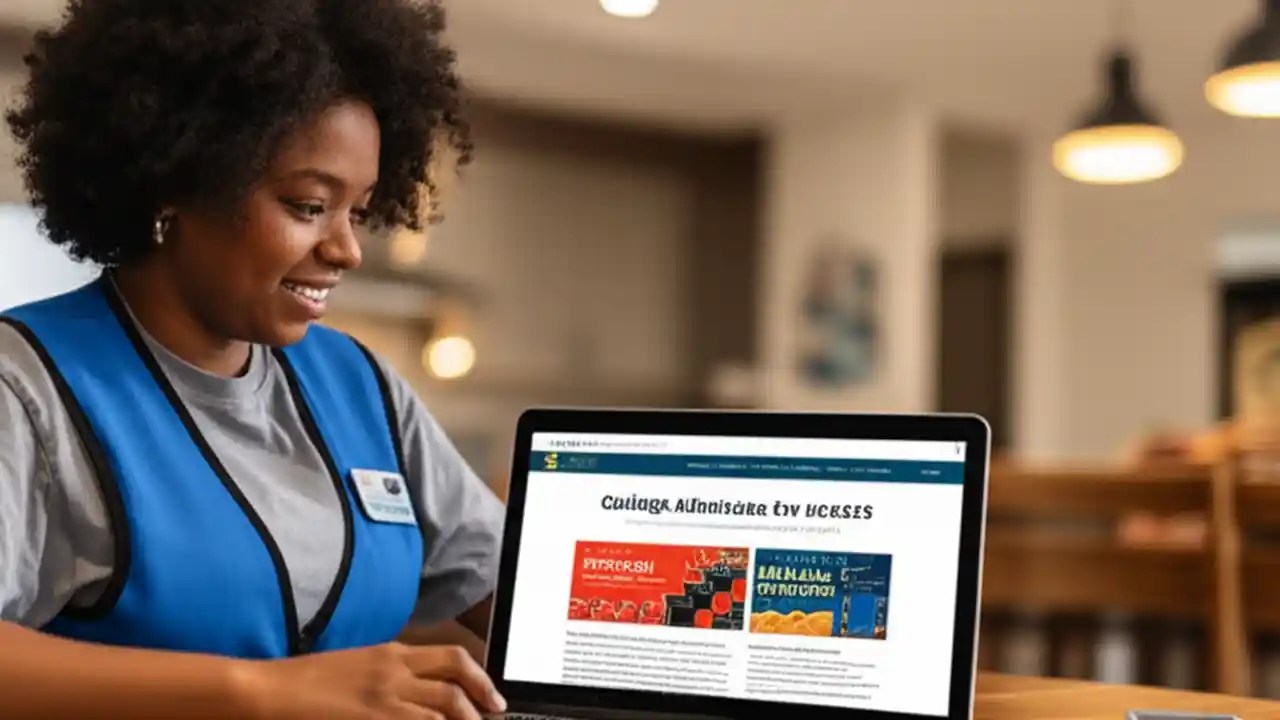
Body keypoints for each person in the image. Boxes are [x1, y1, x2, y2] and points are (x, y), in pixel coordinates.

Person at [0, 1, 509, 717]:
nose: (347, 250)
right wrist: (261, 692)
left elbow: (518, 596)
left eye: (357, 211)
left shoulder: (358, 386)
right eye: (307, 206)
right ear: (172, 184)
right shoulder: (26, 385)